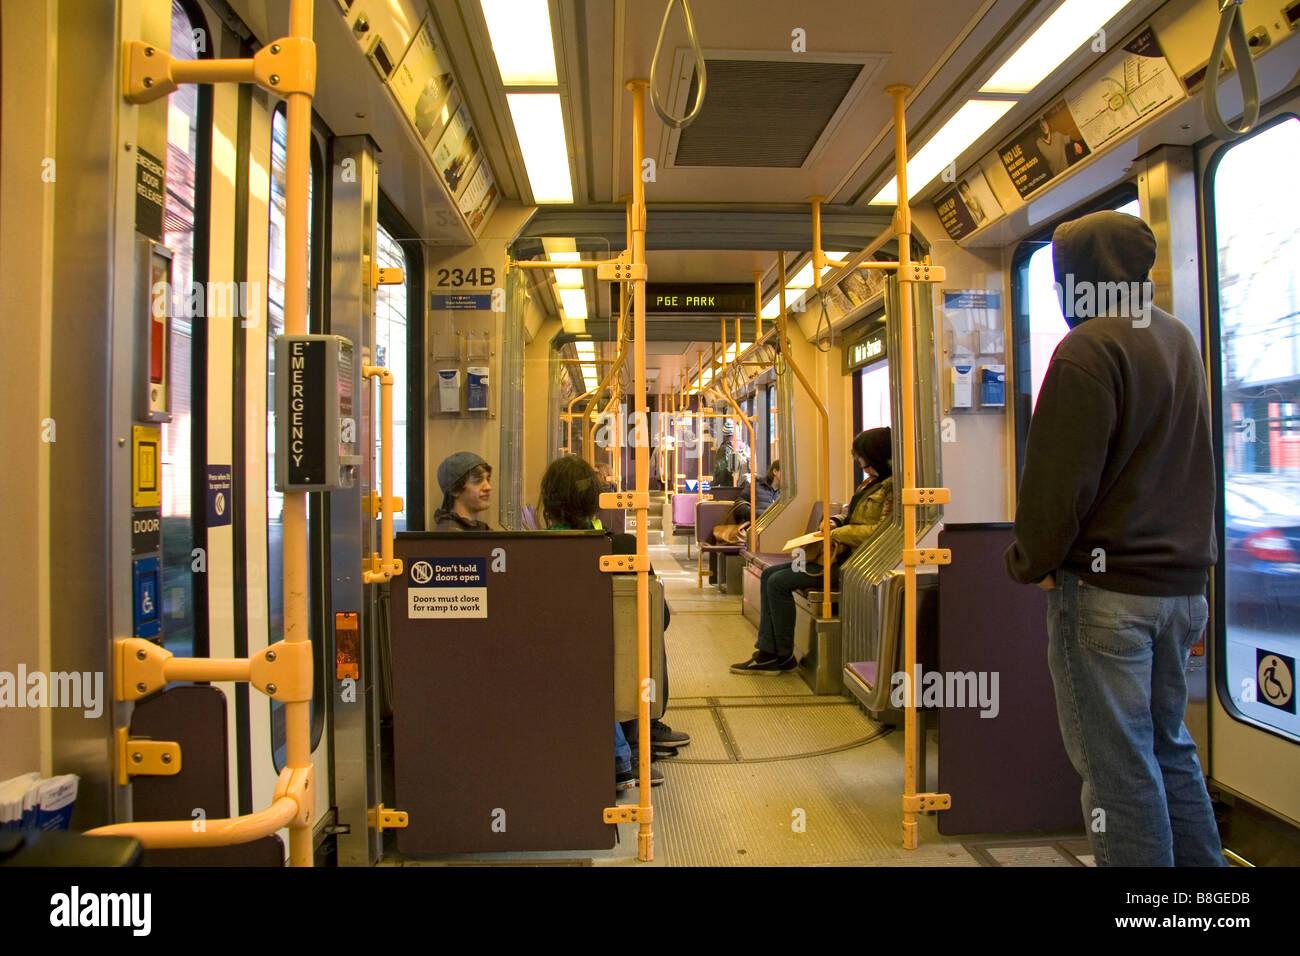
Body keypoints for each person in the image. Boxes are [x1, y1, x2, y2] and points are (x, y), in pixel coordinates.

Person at [1004, 210, 1223, 867]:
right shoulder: (1179, 339)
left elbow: (1057, 483)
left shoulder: (1088, 351)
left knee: (1118, 768)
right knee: (1168, 746)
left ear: (1079, 277)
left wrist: (1031, 561)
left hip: (1107, 594)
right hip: (1183, 591)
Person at [538, 455, 690, 791]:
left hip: (555, 661)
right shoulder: (622, 548)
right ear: (595, 502)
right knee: (640, 635)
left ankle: (632, 745)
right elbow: (660, 617)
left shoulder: (535, 554)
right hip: (613, 669)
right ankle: (638, 739)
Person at [732, 429, 893, 674]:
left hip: (849, 562)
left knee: (779, 582)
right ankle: (769, 653)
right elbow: (850, 514)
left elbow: (881, 531)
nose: (862, 465)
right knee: (769, 575)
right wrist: (835, 522)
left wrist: (837, 534)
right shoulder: (870, 484)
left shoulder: (892, 489)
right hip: (833, 553)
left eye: (864, 460)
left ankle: (780, 655)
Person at [434, 452, 493, 530]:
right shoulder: (450, 534)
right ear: (455, 490)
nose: (488, 487)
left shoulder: (481, 529)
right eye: (477, 480)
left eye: (488, 479)